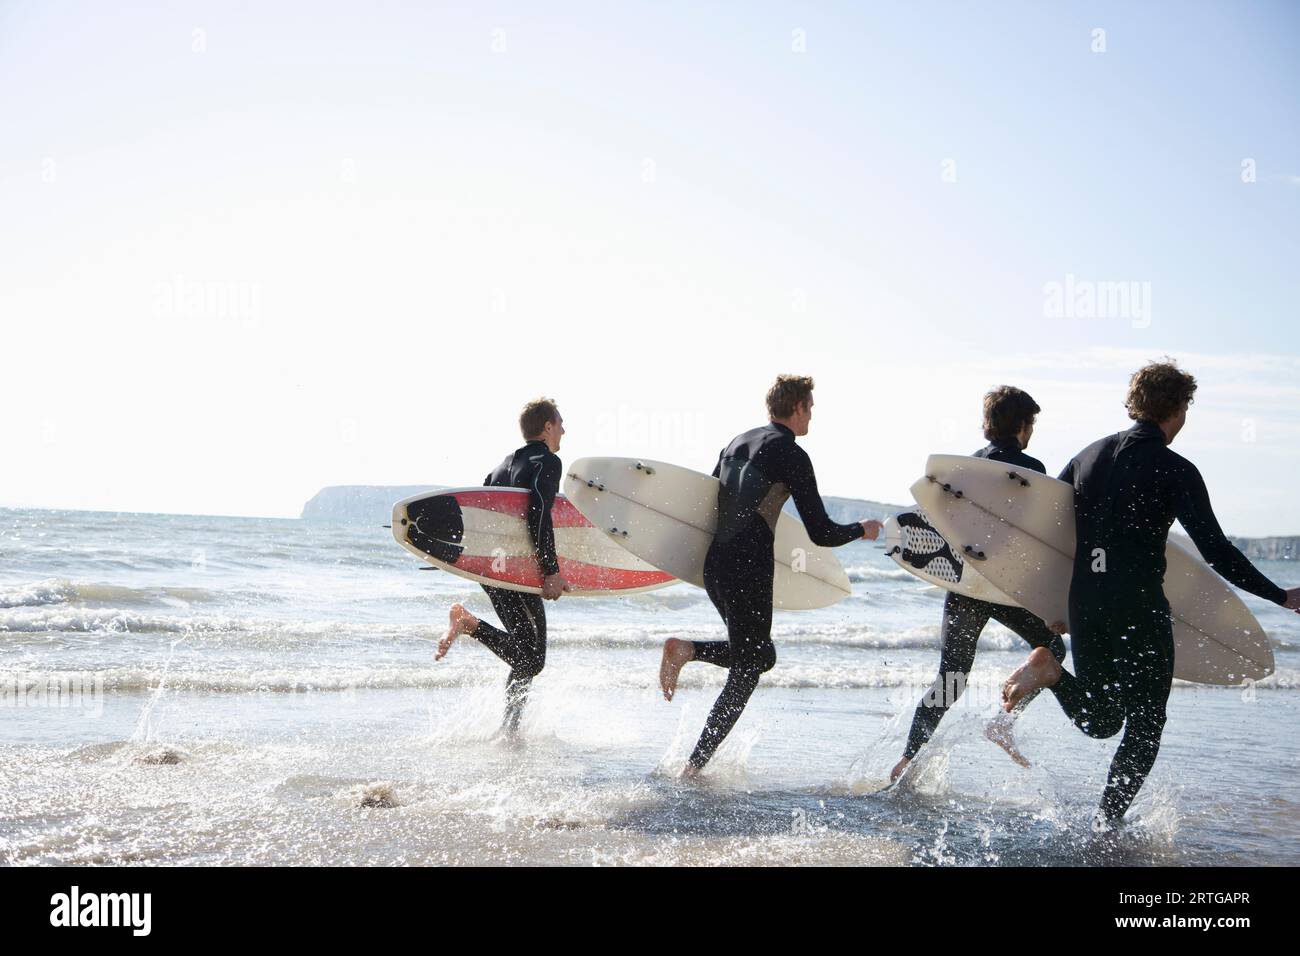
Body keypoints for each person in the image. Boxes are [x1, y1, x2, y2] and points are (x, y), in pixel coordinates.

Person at [1003, 361, 1300, 826]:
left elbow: (1049, 535)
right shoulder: (1175, 469)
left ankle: (1051, 672)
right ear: (1179, 409)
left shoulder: (1087, 457)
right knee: (1144, 724)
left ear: (1135, 403)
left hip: (1086, 600)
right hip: (1137, 605)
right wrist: (1280, 596)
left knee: (1102, 720)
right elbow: (1217, 552)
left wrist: (1051, 605)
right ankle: (1107, 823)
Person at [658, 375, 882, 774]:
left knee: (759, 655)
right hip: (748, 569)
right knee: (749, 667)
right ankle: (693, 766)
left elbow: (706, 504)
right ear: (797, 408)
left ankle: (688, 653)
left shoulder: (735, 443)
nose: (811, 415)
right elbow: (821, 531)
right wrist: (860, 530)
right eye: (810, 407)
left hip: (717, 566)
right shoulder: (792, 453)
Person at [890, 387, 1066, 783]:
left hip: (966, 587)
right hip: (1006, 587)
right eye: (1031, 424)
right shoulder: (1031, 469)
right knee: (1053, 650)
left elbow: (938, 527)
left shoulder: (964, 468)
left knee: (950, 679)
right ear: (1022, 426)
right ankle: (1005, 723)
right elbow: (1043, 539)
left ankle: (906, 761)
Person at [437, 398, 569, 735]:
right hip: (516, 570)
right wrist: (551, 570)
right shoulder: (548, 462)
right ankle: (469, 624)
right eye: (561, 424)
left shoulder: (499, 468)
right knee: (533, 659)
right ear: (548, 427)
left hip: (490, 567)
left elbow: (485, 518)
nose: (564, 431)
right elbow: (538, 512)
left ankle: (511, 729)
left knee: (525, 656)